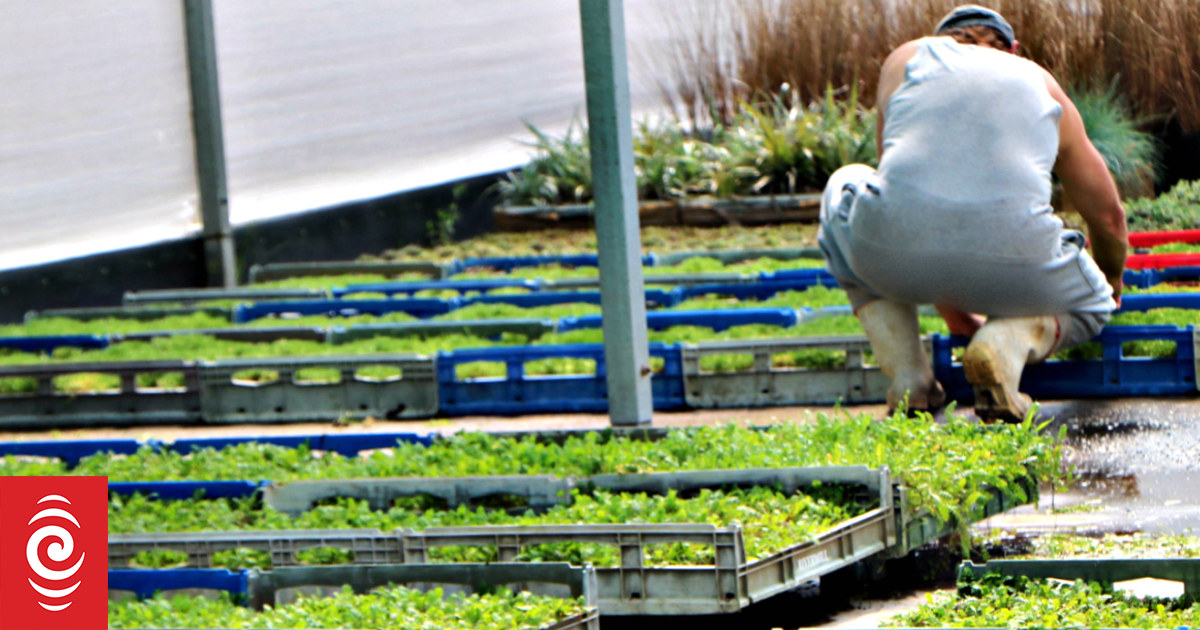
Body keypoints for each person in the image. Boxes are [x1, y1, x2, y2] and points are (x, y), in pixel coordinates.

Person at [818, 4, 1128, 422]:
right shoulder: (1040, 81)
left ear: (942, 38)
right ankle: (1005, 343)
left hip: (889, 261)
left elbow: (904, 200)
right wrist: (1110, 278)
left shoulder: (907, 58)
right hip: (1021, 266)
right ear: (1013, 49)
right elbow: (1108, 215)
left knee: (847, 182)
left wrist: (949, 303)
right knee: (1094, 303)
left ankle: (909, 378)